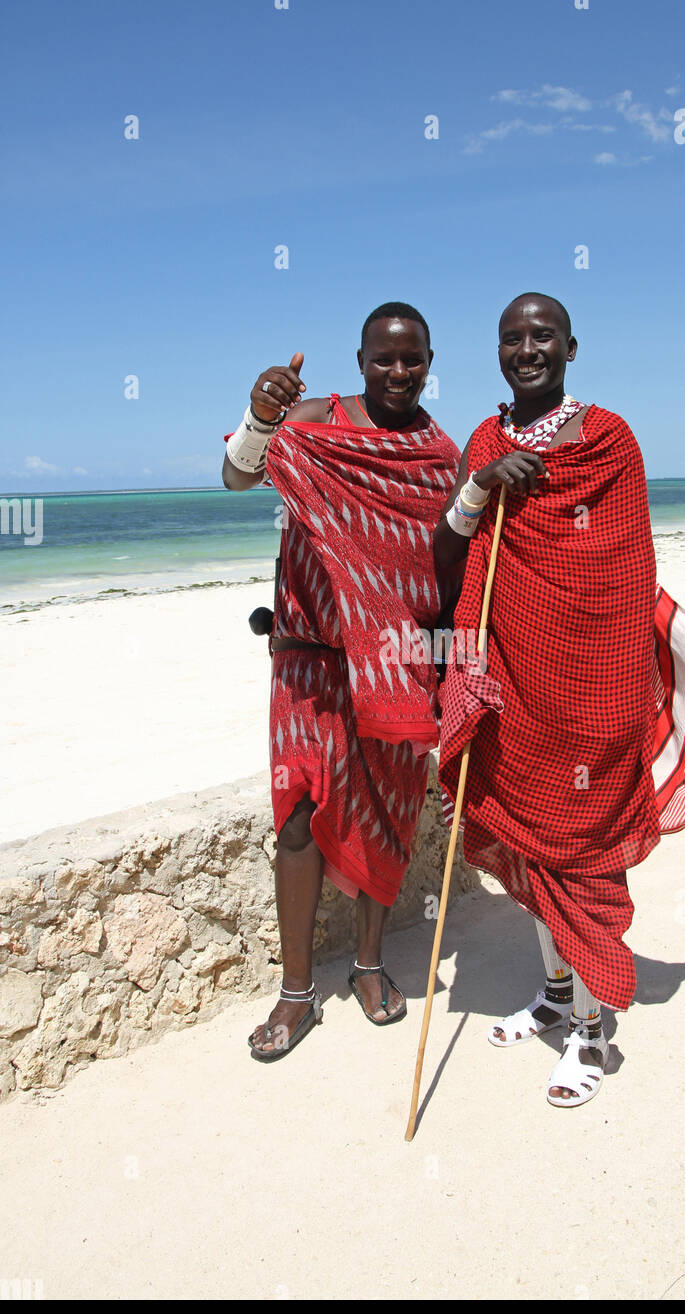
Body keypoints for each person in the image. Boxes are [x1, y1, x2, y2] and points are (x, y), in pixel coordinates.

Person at [434, 293, 685, 1107]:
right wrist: (481, 482)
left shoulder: (609, 440)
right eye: (511, 337)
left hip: (594, 682)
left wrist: (605, 682)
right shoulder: (484, 438)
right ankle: (552, 992)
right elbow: (455, 542)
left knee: (585, 852)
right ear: (497, 351)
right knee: (536, 850)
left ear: (571, 346)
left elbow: (621, 568)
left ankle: (593, 1030)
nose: (527, 348)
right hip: (516, 688)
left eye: (542, 335)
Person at [222, 303, 460, 1060]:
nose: (398, 372)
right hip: (308, 654)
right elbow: (237, 475)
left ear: (429, 361)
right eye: (384, 359)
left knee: (388, 814)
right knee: (296, 813)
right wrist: (261, 415)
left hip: (393, 661)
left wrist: (457, 656)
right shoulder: (315, 417)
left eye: (411, 359)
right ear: (359, 360)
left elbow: (446, 561)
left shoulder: (436, 451)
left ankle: (367, 966)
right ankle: (296, 995)